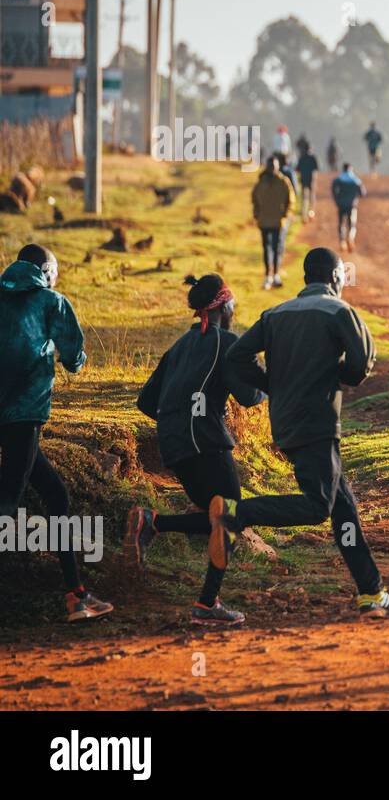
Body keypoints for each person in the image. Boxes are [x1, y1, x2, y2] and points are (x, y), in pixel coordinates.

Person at [222, 248, 389, 618]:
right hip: (318, 422)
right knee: (319, 506)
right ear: (336, 276)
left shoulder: (274, 313)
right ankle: (236, 513)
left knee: (344, 507)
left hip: (287, 421)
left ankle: (371, 592)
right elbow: (360, 364)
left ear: (306, 277)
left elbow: (236, 357)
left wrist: (273, 384)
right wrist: (338, 377)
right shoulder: (339, 311)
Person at [128, 274, 265, 627]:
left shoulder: (179, 346)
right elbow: (250, 397)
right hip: (205, 441)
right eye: (233, 304)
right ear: (224, 305)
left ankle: (153, 522)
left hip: (174, 446)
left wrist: (180, 413)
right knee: (232, 515)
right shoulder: (227, 343)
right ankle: (206, 604)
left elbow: (146, 401)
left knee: (216, 518)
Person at [0, 244, 113, 622]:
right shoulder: (51, 301)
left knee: (56, 495)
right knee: (8, 504)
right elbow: (74, 359)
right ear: (47, 271)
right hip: (23, 416)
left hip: (12, 419)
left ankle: (75, 594)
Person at [252, 155, 295, 290]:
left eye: (274, 167)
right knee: (266, 248)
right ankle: (268, 275)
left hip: (278, 221)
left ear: (277, 167)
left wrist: (285, 215)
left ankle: (275, 274)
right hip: (264, 220)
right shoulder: (261, 182)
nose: (272, 169)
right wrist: (257, 215)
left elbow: (291, 200)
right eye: (270, 166)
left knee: (277, 247)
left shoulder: (283, 182)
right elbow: (254, 200)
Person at [331, 162, 366, 252]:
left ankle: (342, 242)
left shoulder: (339, 179)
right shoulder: (355, 180)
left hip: (341, 204)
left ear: (343, 169)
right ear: (351, 169)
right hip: (352, 205)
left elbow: (333, 190)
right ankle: (350, 238)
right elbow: (362, 193)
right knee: (352, 224)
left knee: (341, 223)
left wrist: (337, 199)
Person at [297, 140, 320, 221]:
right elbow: (316, 168)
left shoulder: (302, 157)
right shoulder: (313, 157)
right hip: (311, 179)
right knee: (312, 197)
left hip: (304, 179)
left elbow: (297, 169)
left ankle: (304, 214)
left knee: (304, 198)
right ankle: (311, 213)